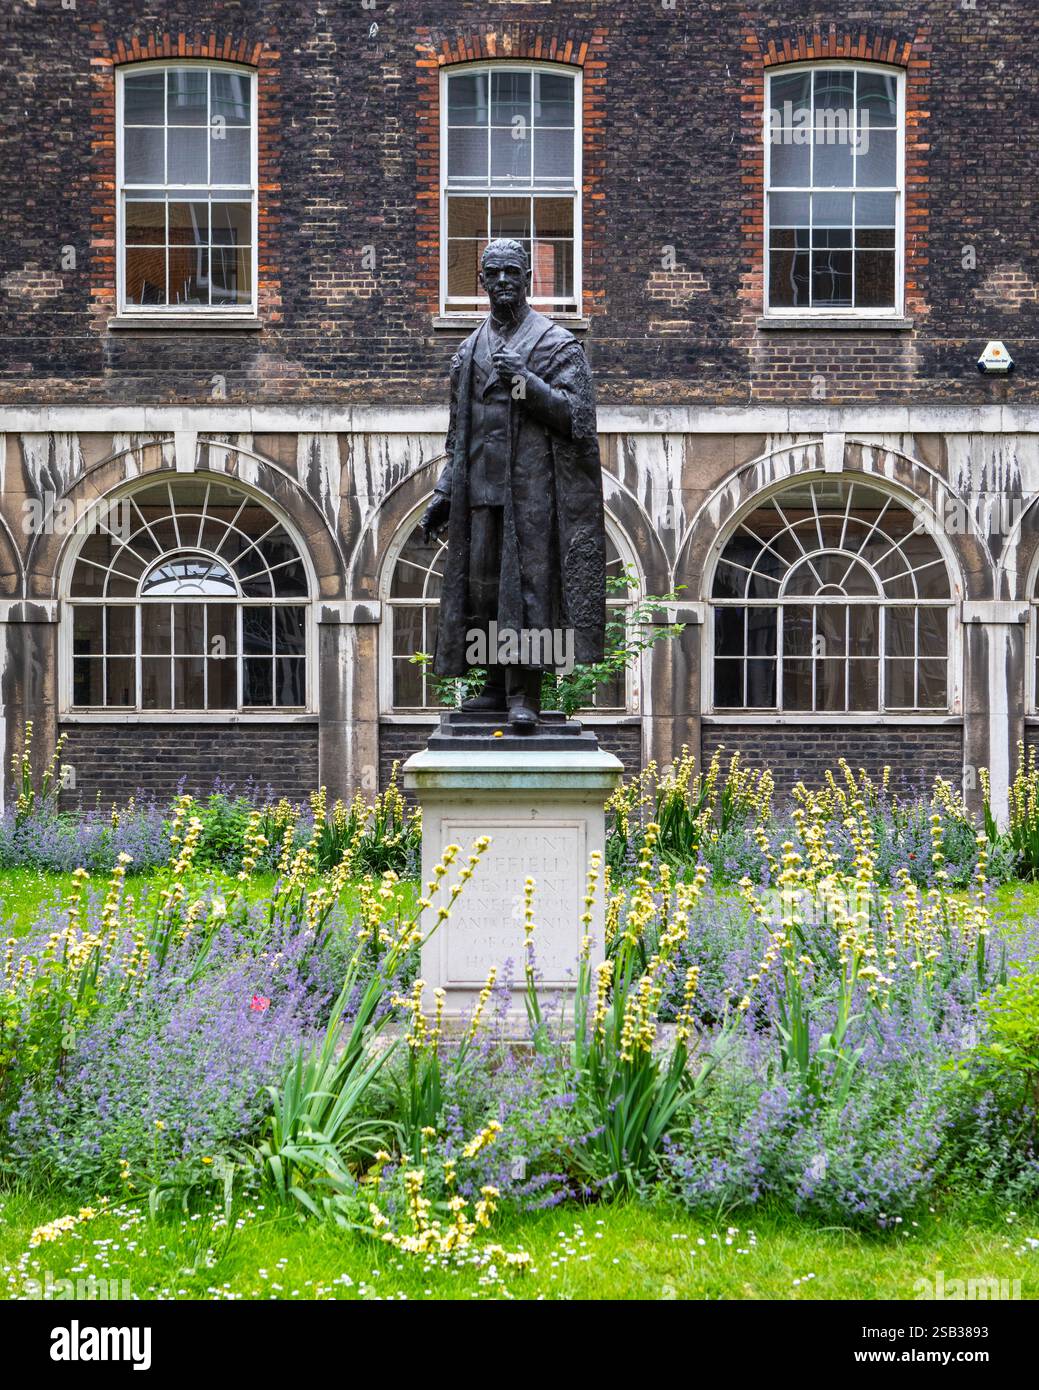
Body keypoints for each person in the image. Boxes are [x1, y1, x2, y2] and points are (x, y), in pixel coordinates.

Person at [419, 238, 606, 731]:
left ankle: (526, 693)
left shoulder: (554, 344)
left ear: (528, 278)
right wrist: (442, 494)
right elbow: (458, 435)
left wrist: (525, 381)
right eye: (494, 273)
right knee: (481, 593)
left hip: (532, 497)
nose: (503, 281)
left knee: (526, 593)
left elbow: (578, 419)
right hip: (479, 493)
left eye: (512, 273)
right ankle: (494, 687)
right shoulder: (467, 351)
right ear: (482, 281)